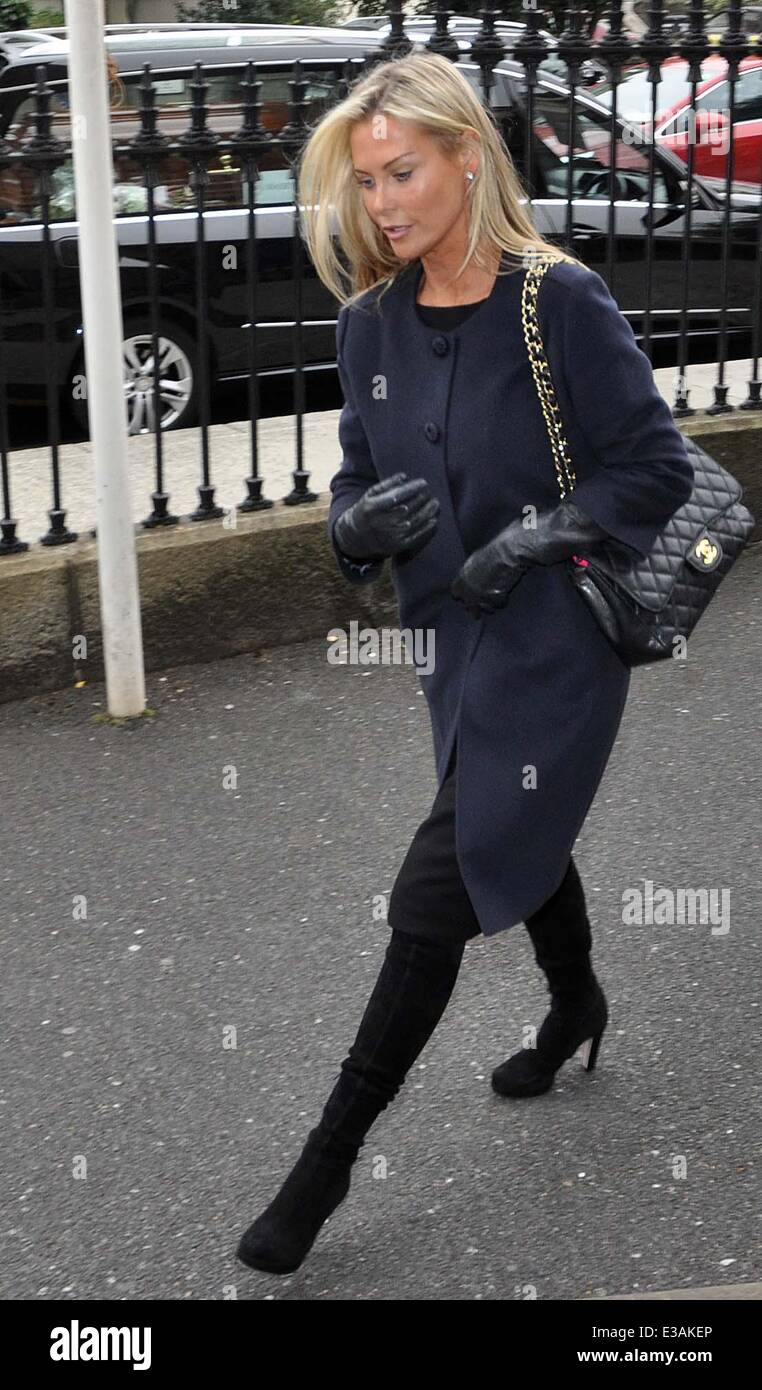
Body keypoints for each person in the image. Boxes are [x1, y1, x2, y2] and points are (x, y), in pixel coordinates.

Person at [236, 51, 694, 1277]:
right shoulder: (368, 322)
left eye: (403, 172)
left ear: (467, 159)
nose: (382, 203)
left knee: (435, 888)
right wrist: (352, 530)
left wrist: (540, 534)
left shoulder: (561, 301)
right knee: (511, 830)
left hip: (552, 647)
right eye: (364, 181)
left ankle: (324, 1165)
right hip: (448, 646)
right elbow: (347, 484)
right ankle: (579, 1004)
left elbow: (652, 468)